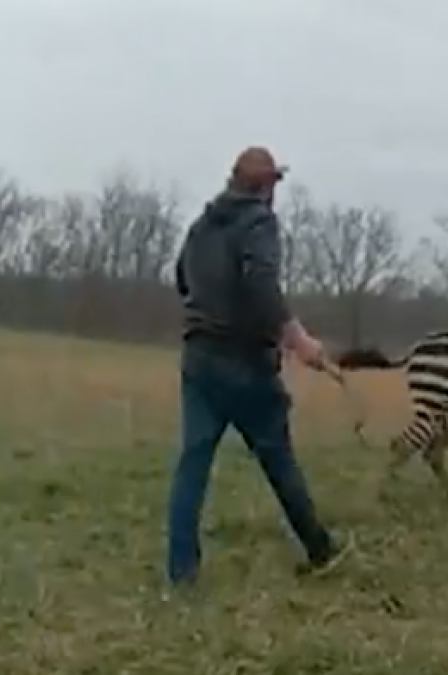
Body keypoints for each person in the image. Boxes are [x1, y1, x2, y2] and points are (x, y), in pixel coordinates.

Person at [166, 146, 351, 588]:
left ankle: (181, 573)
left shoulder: (201, 226)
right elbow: (262, 284)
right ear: (266, 186)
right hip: (245, 365)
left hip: (199, 362)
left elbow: (182, 280)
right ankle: (320, 550)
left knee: (192, 463)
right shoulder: (259, 222)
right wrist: (296, 336)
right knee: (278, 459)